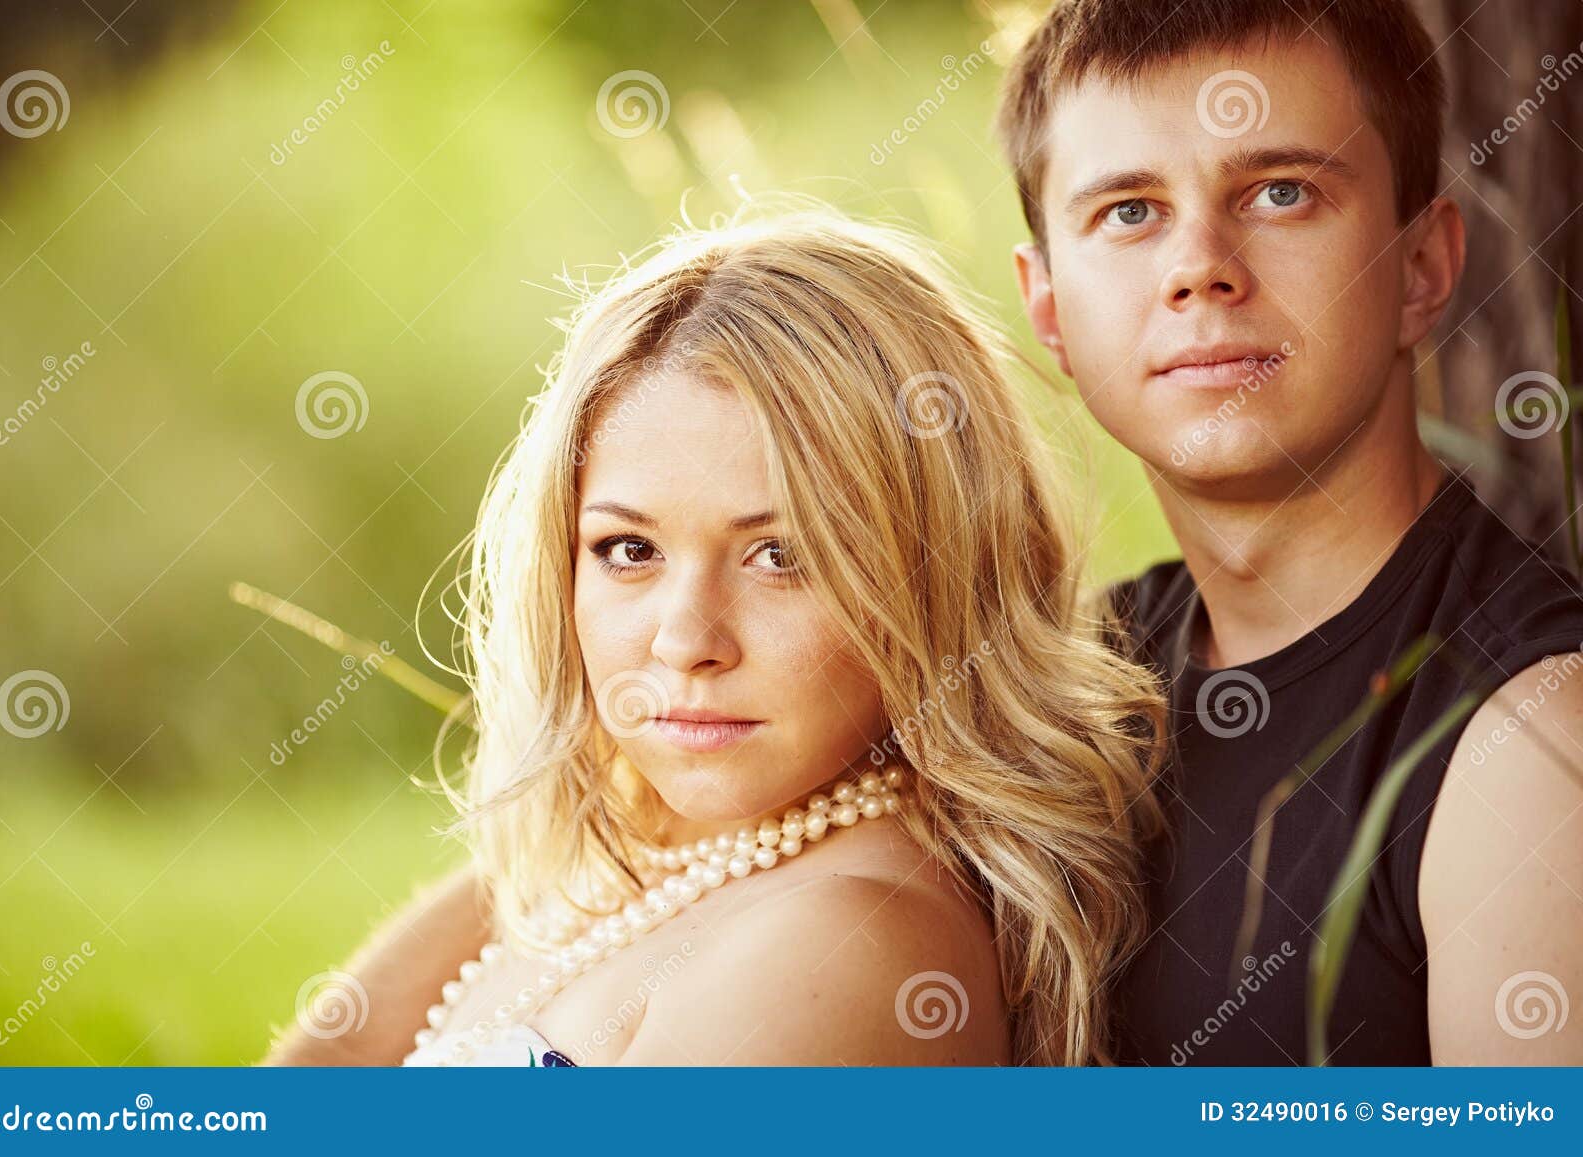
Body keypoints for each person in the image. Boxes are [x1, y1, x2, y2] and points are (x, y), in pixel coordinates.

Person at [264, 206, 1168, 1066]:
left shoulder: (841, 942)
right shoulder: (632, 858)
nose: (687, 640)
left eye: (780, 554)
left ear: (934, 571)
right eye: (629, 549)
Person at [998, 0, 1583, 1064]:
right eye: (1128, 212)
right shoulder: (1067, 694)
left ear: (1421, 267)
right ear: (1047, 309)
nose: (1202, 266)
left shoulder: (1534, 737)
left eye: (1280, 192)